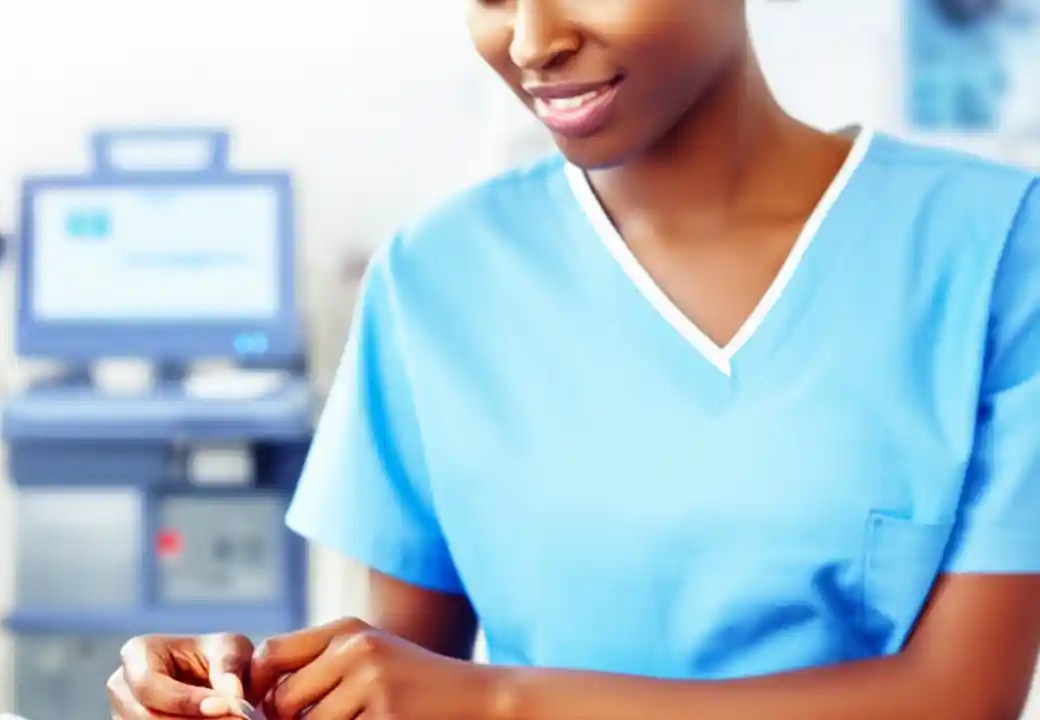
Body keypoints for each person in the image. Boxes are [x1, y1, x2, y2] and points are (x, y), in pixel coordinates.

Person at [108, 1, 1040, 718]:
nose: (531, 41)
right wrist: (247, 689)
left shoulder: (996, 245)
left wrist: (498, 703)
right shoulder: (436, 275)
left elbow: (961, 697)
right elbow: (395, 674)